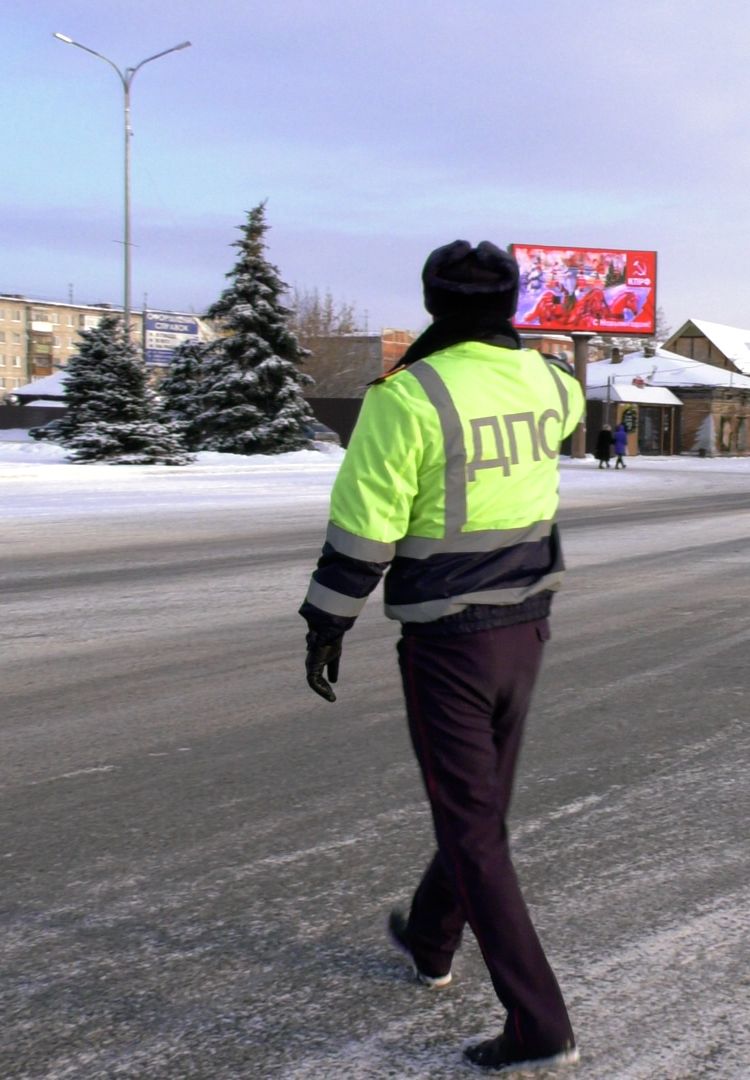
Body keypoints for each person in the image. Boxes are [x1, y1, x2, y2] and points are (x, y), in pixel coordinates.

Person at [299, 240, 581, 1074]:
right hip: (527, 624)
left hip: (449, 638)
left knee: (471, 827)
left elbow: (366, 526)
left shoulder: (408, 396)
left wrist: (327, 622)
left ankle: (540, 1025)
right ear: (510, 305)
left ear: (432, 303)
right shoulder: (549, 382)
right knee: (479, 809)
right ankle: (430, 937)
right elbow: (567, 411)